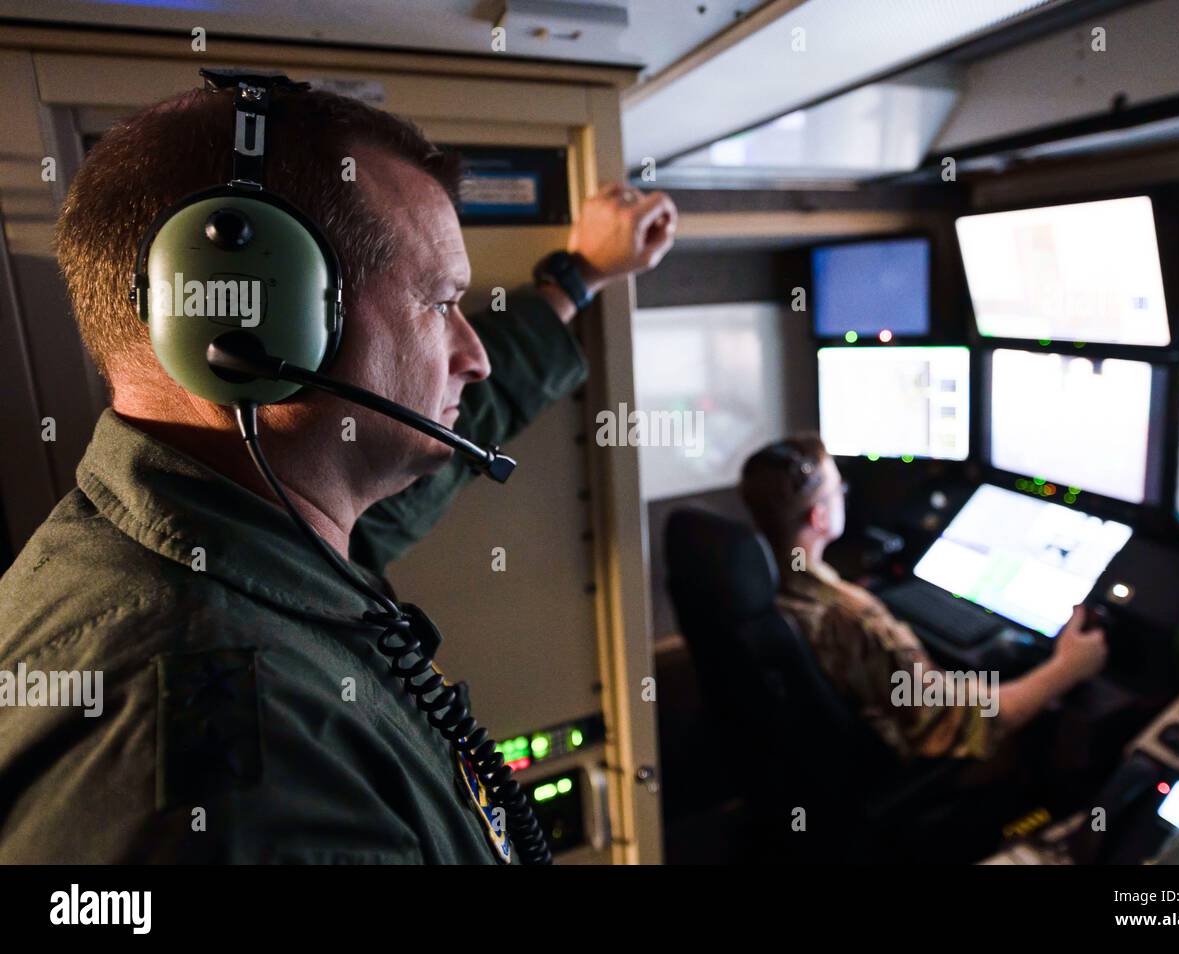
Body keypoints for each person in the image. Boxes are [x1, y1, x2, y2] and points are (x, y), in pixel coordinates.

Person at [0, 82, 675, 863]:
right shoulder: (235, 757)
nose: (475, 356)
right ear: (255, 325)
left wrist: (575, 282)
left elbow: (438, 447)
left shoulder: (235, 543)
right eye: (440, 303)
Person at [739, 434, 1109, 762]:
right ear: (819, 516)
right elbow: (966, 721)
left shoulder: (754, 585)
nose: (844, 496)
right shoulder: (852, 616)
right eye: (840, 489)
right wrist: (1067, 667)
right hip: (888, 766)